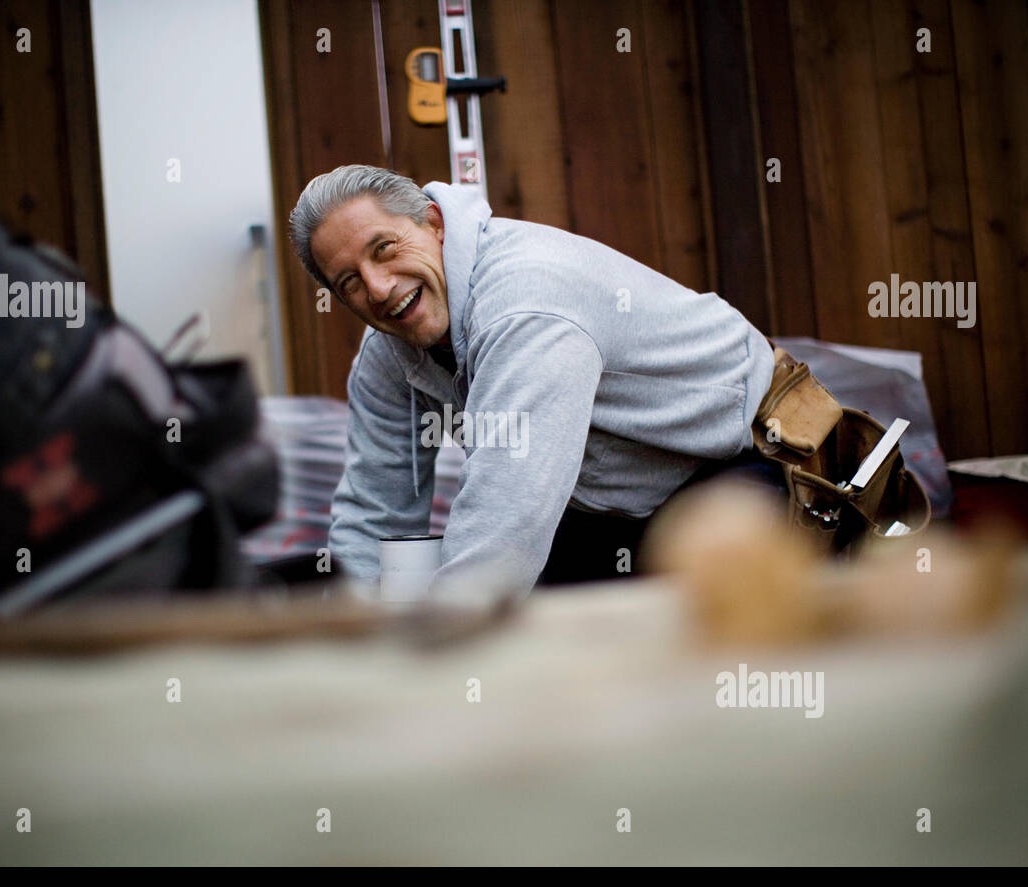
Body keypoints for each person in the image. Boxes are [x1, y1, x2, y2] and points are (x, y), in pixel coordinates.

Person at [288, 164, 781, 592]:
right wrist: (349, 635)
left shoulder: (524, 304)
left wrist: (434, 649)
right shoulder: (387, 354)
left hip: (741, 460)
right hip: (609, 504)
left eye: (384, 248)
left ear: (433, 223)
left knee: (695, 635)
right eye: (349, 281)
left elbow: (504, 518)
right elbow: (374, 511)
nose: (378, 288)